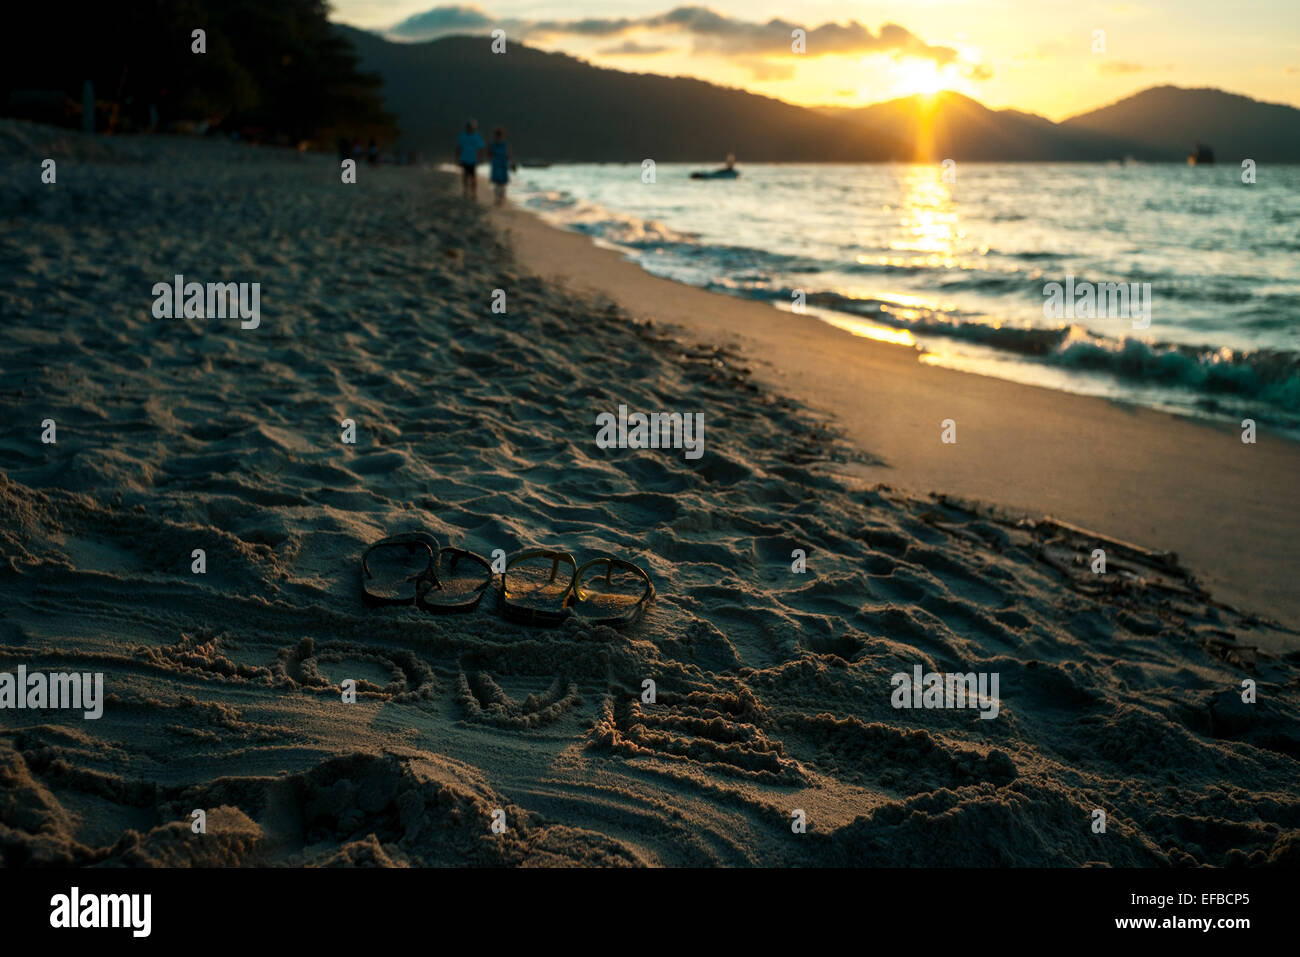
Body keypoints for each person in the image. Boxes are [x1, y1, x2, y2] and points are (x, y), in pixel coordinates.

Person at [456, 120, 484, 200]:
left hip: (473, 159)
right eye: (469, 126)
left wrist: (481, 158)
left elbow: (480, 148)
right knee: (465, 175)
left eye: (472, 127)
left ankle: (473, 193)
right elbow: (459, 147)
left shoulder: (477, 136)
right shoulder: (462, 135)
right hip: (464, 158)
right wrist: (457, 158)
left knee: (473, 177)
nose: (470, 128)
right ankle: (465, 191)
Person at [489, 128, 511, 206]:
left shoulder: (504, 144)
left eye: (500, 136)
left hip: (502, 165)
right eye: (498, 136)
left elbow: (508, 155)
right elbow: (490, 154)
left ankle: (500, 197)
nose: (498, 137)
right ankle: (497, 198)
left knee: (502, 184)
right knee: (497, 184)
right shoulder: (493, 145)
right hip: (497, 165)